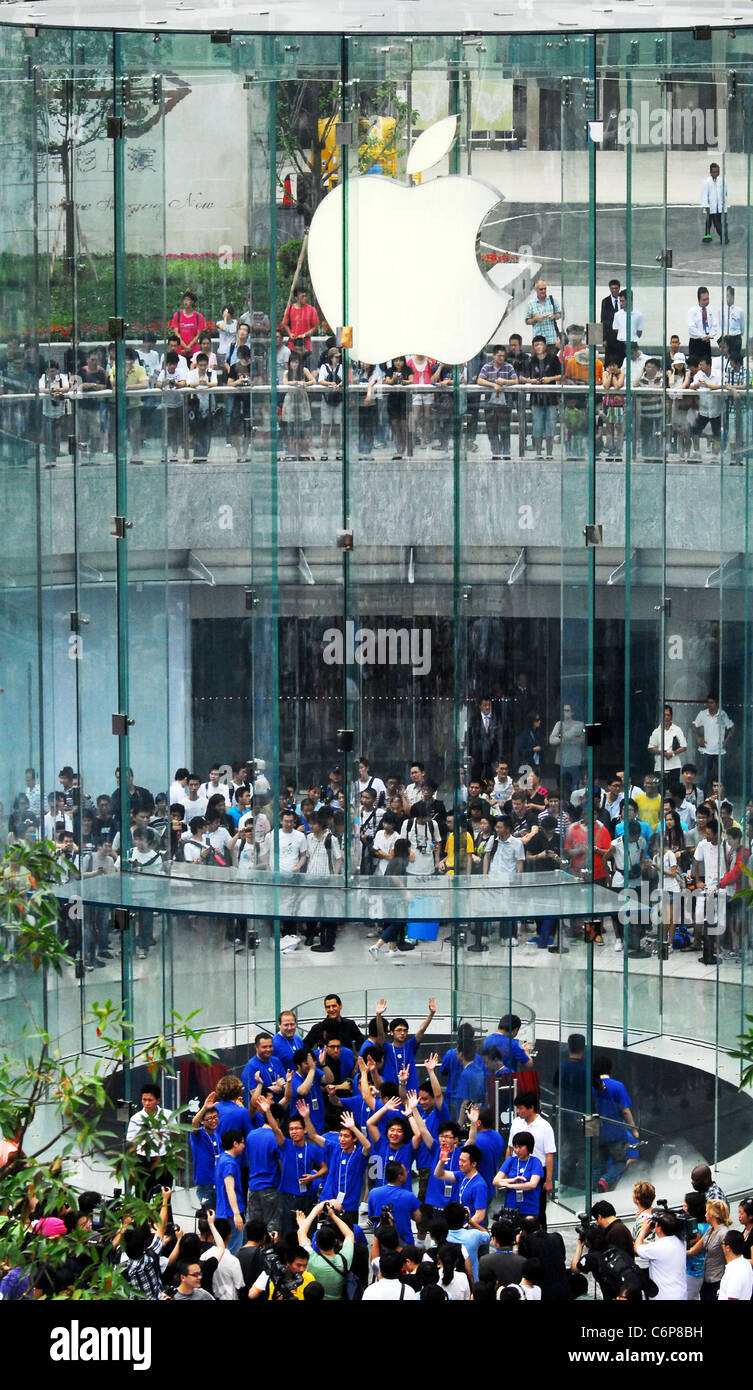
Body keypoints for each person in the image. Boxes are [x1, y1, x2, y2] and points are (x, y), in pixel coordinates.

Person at [507, 1090, 556, 1226]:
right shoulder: (517, 1123)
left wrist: (548, 1180)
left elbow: (549, 1154)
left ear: (531, 1108)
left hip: (537, 1171)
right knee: (515, 1207)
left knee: (538, 1208)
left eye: (521, 1108)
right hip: (517, 1169)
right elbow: (510, 1148)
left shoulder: (545, 1127)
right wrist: (506, 1171)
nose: (518, 1111)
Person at [296, 1200, 356, 1299]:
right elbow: (349, 1234)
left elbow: (301, 1233)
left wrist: (315, 1210)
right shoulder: (343, 1261)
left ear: (316, 1244)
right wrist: (333, 1216)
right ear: (335, 1242)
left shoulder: (311, 1260)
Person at [494, 1131, 543, 1218]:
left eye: (520, 1147)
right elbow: (496, 1181)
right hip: (510, 1208)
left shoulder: (535, 1162)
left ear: (528, 1147)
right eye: (515, 1147)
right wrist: (512, 1180)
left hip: (529, 1208)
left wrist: (511, 1186)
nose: (517, 1150)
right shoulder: (510, 1160)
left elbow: (532, 1184)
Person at [214, 1129, 246, 1254]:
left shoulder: (222, 1158)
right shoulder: (229, 1163)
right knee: (234, 1250)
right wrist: (237, 1214)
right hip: (230, 1213)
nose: (244, 1146)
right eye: (242, 1143)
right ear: (235, 1144)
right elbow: (230, 1189)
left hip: (222, 1211)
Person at [190, 1091, 222, 1209]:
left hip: (219, 1181)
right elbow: (194, 1122)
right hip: (205, 1183)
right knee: (209, 1215)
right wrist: (204, 1107)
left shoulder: (218, 1135)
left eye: (215, 1117)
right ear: (203, 1121)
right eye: (209, 1119)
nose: (213, 1121)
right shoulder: (198, 1135)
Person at [687, 286, 719, 368]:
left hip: (707, 342)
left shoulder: (710, 310)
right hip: (696, 342)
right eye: (704, 300)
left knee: (707, 365)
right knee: (695, 366)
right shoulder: (692, 311)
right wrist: (702, 336)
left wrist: (710, 335)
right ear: (699, 299)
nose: (706, 302)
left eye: (707, 299)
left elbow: (714, 326)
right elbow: (691, 328)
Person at [718, 1230, 753, 1299]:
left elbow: (733, 1297)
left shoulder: (734, 1271)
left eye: (722, 1243)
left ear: (728, 1248)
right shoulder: (746, 1264)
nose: (721, 1245)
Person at [701, 160, 728, 245]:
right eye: (714, 172)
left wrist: (724, 205)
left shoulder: (722, 181)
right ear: (710, 172)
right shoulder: (707, 182)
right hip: (711, 207)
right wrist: (706, 205)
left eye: (717, 171)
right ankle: (709, 236)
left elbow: (724, 193)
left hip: (719, 207)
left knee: (718, 224)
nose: (715, 173)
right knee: (710, 223)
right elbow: (704, 195)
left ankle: (723, 237)